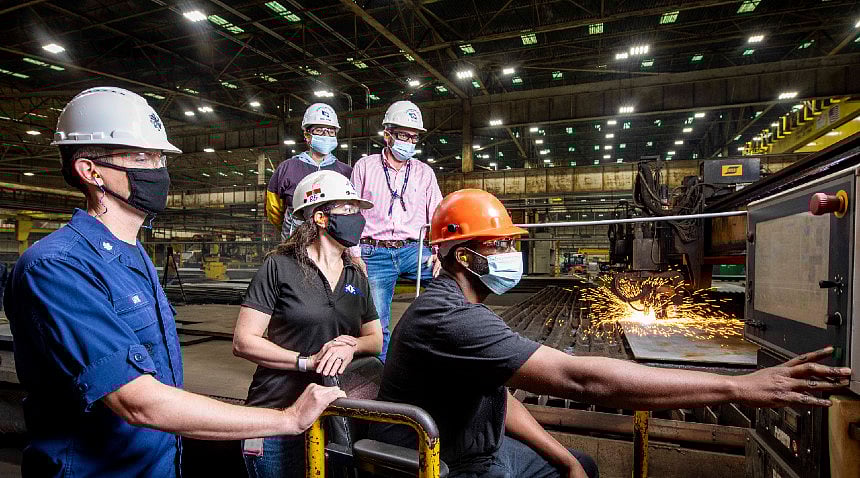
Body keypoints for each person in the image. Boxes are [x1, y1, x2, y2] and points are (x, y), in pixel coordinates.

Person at [371, 188, 852, 478]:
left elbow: (499, 398)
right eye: (498, 245)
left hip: (472, 448)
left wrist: (565, 458)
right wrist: (739, 386)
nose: (508, 254)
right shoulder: (450, 319)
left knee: (583, 464)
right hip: (439, 464)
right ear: (461, 255)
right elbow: (583, 380)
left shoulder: (464, 311)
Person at [3, 87, 345, 478]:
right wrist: (288, 419)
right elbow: (140, 403)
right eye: (140, 156)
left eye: (159, 157)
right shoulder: (56, 267)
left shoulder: (133, 255)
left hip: (160, 462)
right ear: (90, 170)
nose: (157, 170)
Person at [233, 170, 383, 478]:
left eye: (357, 211)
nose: (357, 218)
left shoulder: (356, 274)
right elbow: (244, 341)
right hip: (275, 414)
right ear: (320, 218)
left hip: (332, 417)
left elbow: (375, 339)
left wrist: (351, 344)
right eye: (347, 210)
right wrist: (307, 362)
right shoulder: (280, 266)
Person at [349, 100, 443, 361]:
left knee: (455, 279)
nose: (409, 142)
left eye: (414, 137)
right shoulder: (365, 167)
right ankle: (381, 377)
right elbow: (351, 212)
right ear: (387, 134)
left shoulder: (425, 173)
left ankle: (442, 347)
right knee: (377, 325)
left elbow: (437, 213)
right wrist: (355, 255)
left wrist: (440, 252)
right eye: (404, 135)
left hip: (415, 250)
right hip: (374, 252)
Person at [266, 102, 353, 241]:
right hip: (295, 244)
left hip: (333, 244)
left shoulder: (346, 172)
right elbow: (274, 211)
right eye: (319, 130)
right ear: (307, 134)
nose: (326, 135)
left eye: (331, 131)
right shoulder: (287, 169)